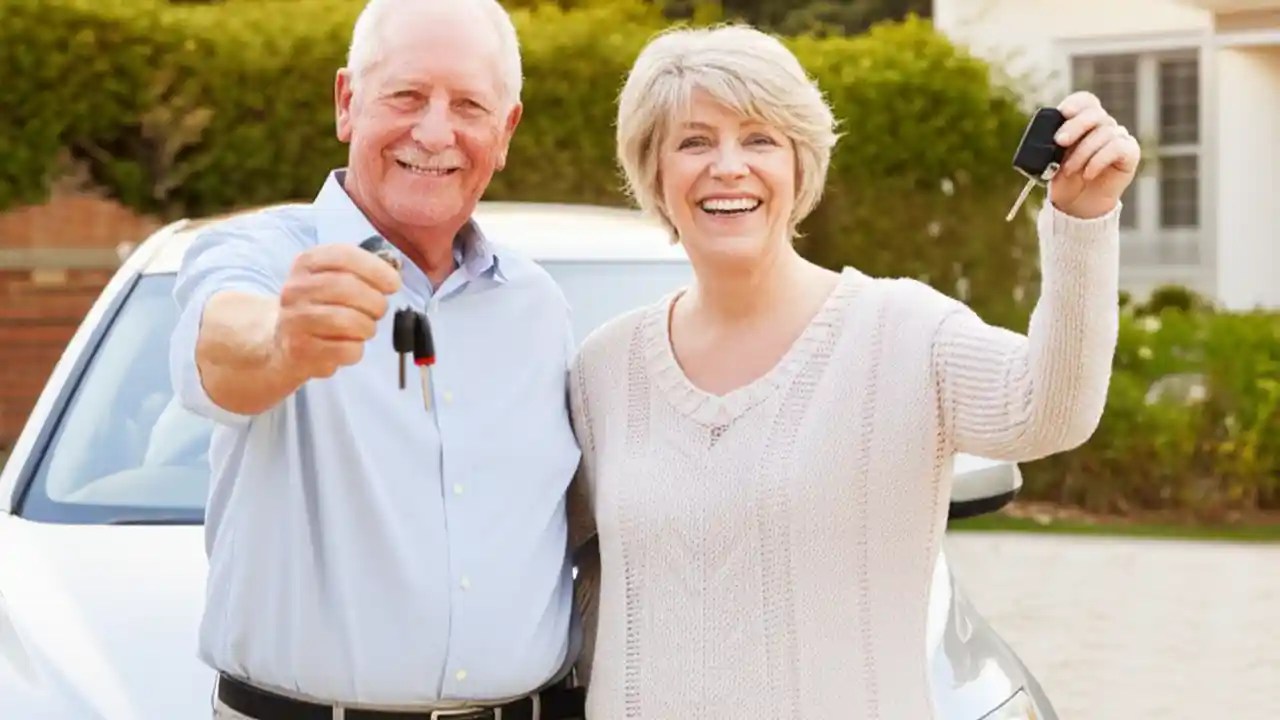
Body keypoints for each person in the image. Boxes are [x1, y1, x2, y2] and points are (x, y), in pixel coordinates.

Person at [565, 24, 1134, 719]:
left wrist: (1083, 218)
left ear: (801, 165)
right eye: (693, 141)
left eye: (760, 139)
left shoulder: (905, 332)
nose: (728, 166)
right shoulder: (603, 368)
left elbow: (1052, 411)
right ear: (653, 172)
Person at [170, 1, 587, 717]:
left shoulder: (538, 307)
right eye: (405, 95)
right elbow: (222, 348)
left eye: (468, 105)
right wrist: (282, 341)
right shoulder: (258, 258)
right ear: (346, 102)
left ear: (506, 130)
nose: (434, 130)